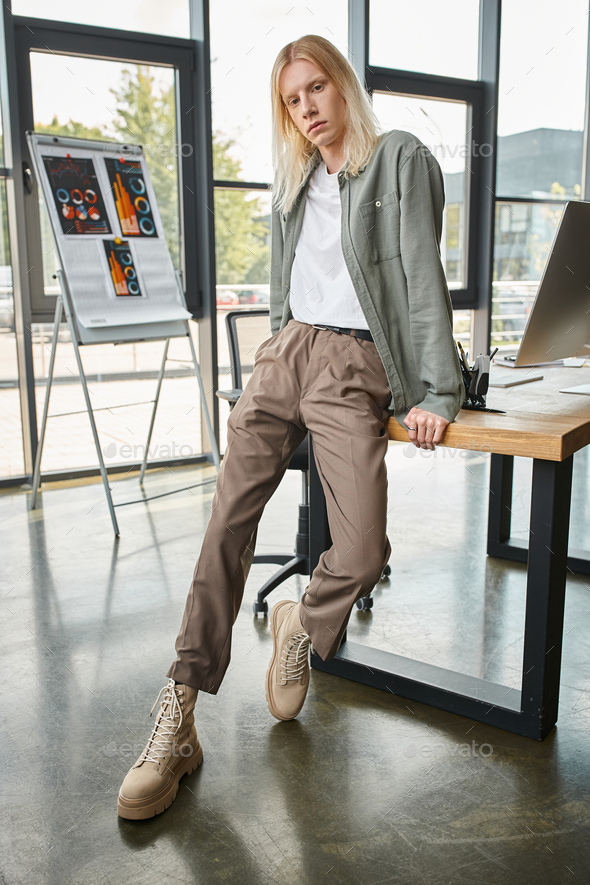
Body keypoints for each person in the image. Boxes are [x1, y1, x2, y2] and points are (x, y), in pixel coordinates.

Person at [117, 34, 464, 820]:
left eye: (316, 88)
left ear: (343, 86)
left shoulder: (398, 160)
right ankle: (178, 713)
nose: (306, 108)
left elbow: (419, 274)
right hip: (285, 354)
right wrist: (273, 355)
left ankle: (299, 618)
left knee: (365, 547)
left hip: (353, 365)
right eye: (291, 98)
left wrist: (437, 389)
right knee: (226, 526)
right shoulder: (295, 178)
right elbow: (285, 284)